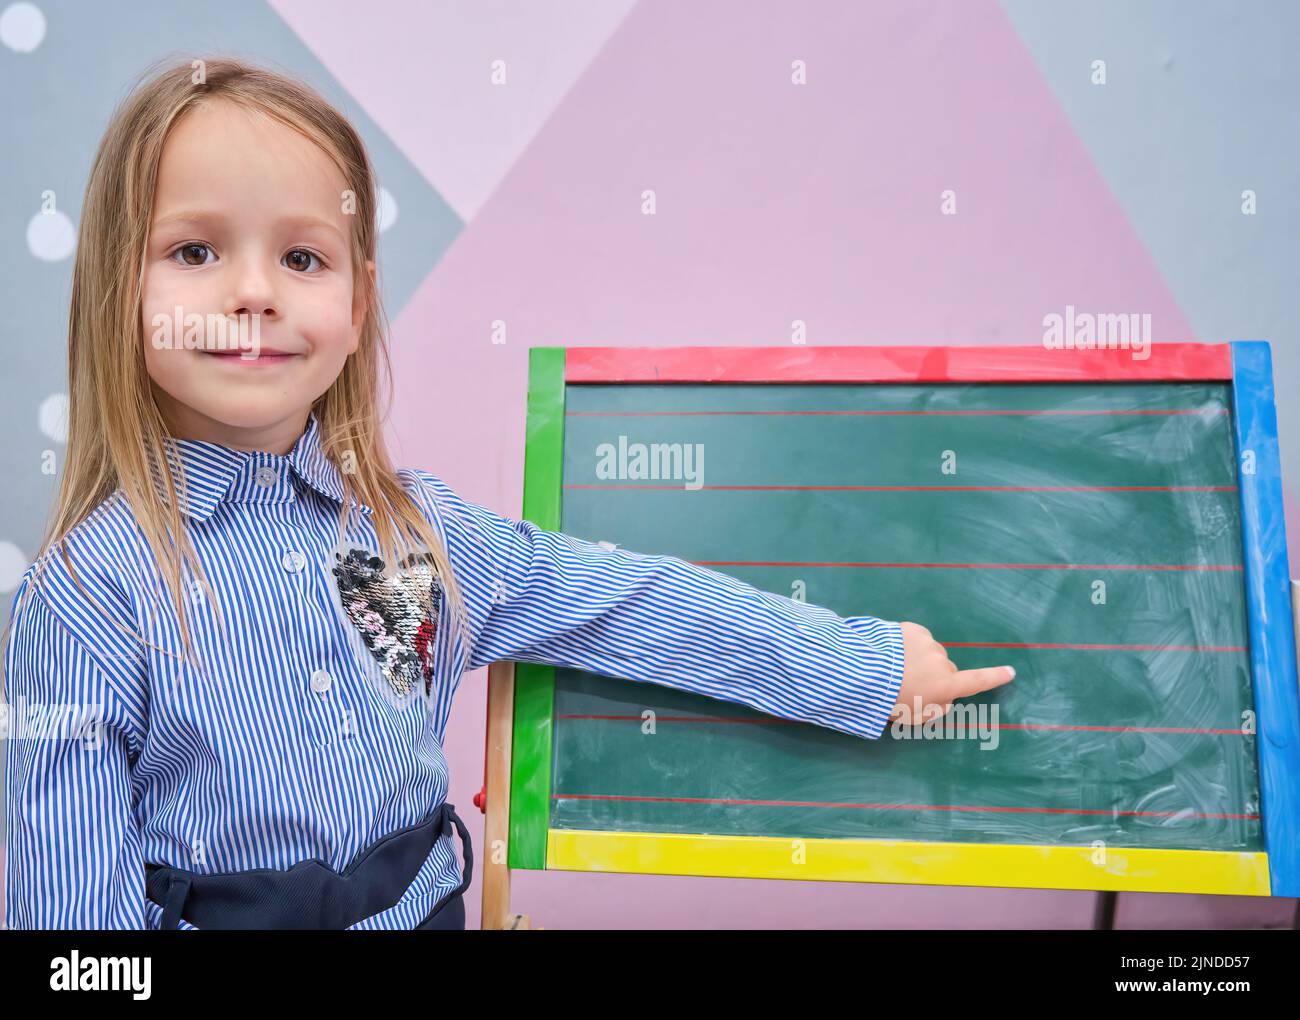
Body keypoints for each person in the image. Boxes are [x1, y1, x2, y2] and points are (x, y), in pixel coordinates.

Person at [1, 57, 1014, 930]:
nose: (253, 290)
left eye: (300, 257)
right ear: (116, 290)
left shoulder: (420, 538)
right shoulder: (91, 598)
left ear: (356, 304)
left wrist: (865, 670)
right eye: (195, 251)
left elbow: (632, 604)